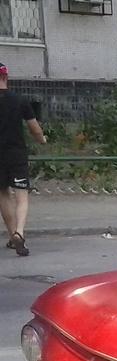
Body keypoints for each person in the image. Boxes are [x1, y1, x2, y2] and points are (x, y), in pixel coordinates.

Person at [0, 63, 46, 257]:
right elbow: (34, 128)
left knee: (3, 194)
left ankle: (12, 236)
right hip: (16, 154)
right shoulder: (19, 100)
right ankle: (19, 232)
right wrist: (42, 140)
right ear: (5, 77)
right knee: (21, 195)